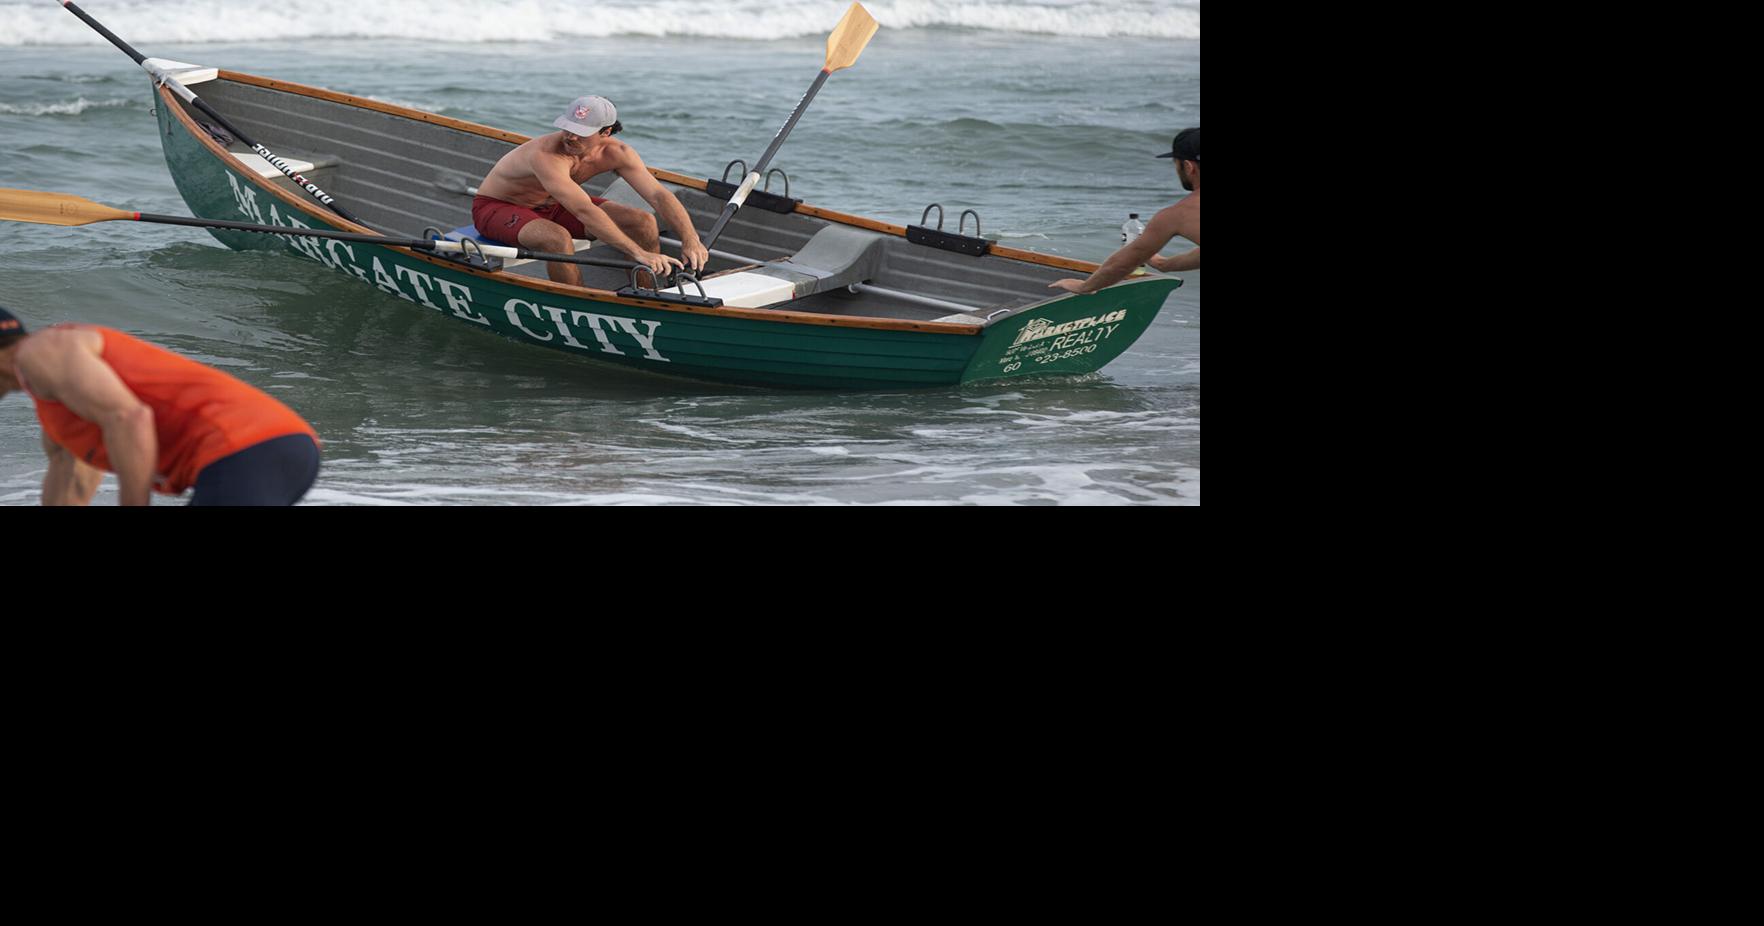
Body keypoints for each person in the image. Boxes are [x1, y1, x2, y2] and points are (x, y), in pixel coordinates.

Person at [0, 306, 321, 506]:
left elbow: (130, 418)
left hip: (248, 449)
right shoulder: (61, 398)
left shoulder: (41, 352)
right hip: (271, 452)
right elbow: (72, 482)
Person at [472, 95, 709, 286]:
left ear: (606, 132)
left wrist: (691, 239)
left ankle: (646, 294)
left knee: (643, 221)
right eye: (567, 127)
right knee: (557, 238)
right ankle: (572, 302)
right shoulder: (546, 155)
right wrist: (639, 253)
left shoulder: (618, 153)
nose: (571, 136)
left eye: (581, 132)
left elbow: (658, 195)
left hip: (555, 205)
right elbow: (584, 210)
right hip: (498, 207)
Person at [1050, 127, 1200, 294]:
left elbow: (1123, 264)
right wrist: (1163, 265)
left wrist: (1083, 287)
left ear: (1188, 166)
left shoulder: (1178, 215)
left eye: (1176, 164)